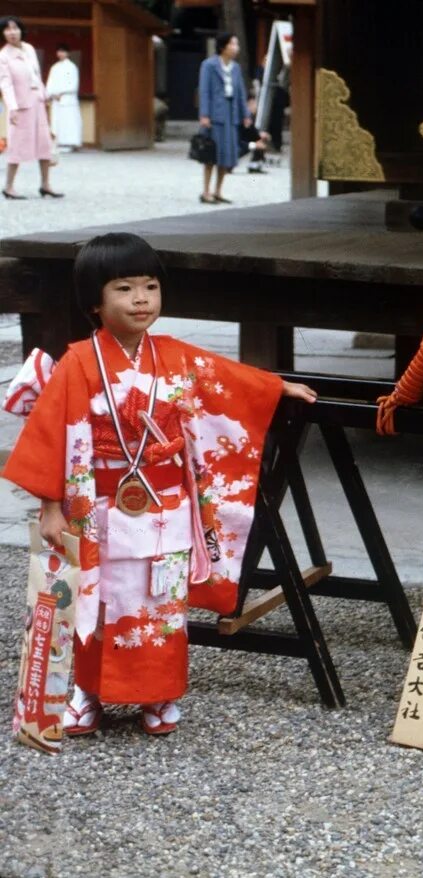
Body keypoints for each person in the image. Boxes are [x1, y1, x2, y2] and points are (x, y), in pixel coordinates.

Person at [2, 233, 317, 738]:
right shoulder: (79, 363)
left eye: (150, 286)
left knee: (159, 605)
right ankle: (86, 692)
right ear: (95, 301)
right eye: (124, 288)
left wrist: (276, 386)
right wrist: (51, 507)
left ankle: (158, 693)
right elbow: (50, 437)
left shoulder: (176, 356)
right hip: (98, 505)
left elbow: (227, 380)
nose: (142, 299)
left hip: (163, 507)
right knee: (96, 601)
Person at [0, 15, 60, 198]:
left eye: (15, 28)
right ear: (2, 33)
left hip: (38, 102)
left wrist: (45, 95)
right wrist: (13, 108)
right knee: (17, 145)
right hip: (20, 105)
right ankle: (9, 187)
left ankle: (45, 184)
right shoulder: (3, 56)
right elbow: (5, 83)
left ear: (21, 30)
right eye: (7, 29)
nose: (12, 32)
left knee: (44, 143)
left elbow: (37, 76)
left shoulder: (29, 49)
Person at [197, 32, 250, 205]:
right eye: (233, 44)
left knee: (226, 155)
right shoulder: (209, 65)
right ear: (223, 47)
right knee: (211, 154)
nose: (236, 48)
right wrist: (204, 114)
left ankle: (218, 190)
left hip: (231, 113)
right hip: (214, 114)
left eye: (237, 44)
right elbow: (204, 91)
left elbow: (241, 92)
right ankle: (206, 191)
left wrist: (245, 115)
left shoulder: (235, 68)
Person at [45, 42, 81, 152]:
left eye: (63, 51)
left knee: (69, 121)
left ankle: (70, 143)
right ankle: (59, 142)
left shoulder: (71, 67)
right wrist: (50, 94)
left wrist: (61, 93)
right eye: (59, 51)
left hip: (67, 98)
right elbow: (50, 83)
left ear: (68, 53)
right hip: (56, 99)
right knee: (57, 121)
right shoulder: (54, 67)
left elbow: (73, 84)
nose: (61, 54)